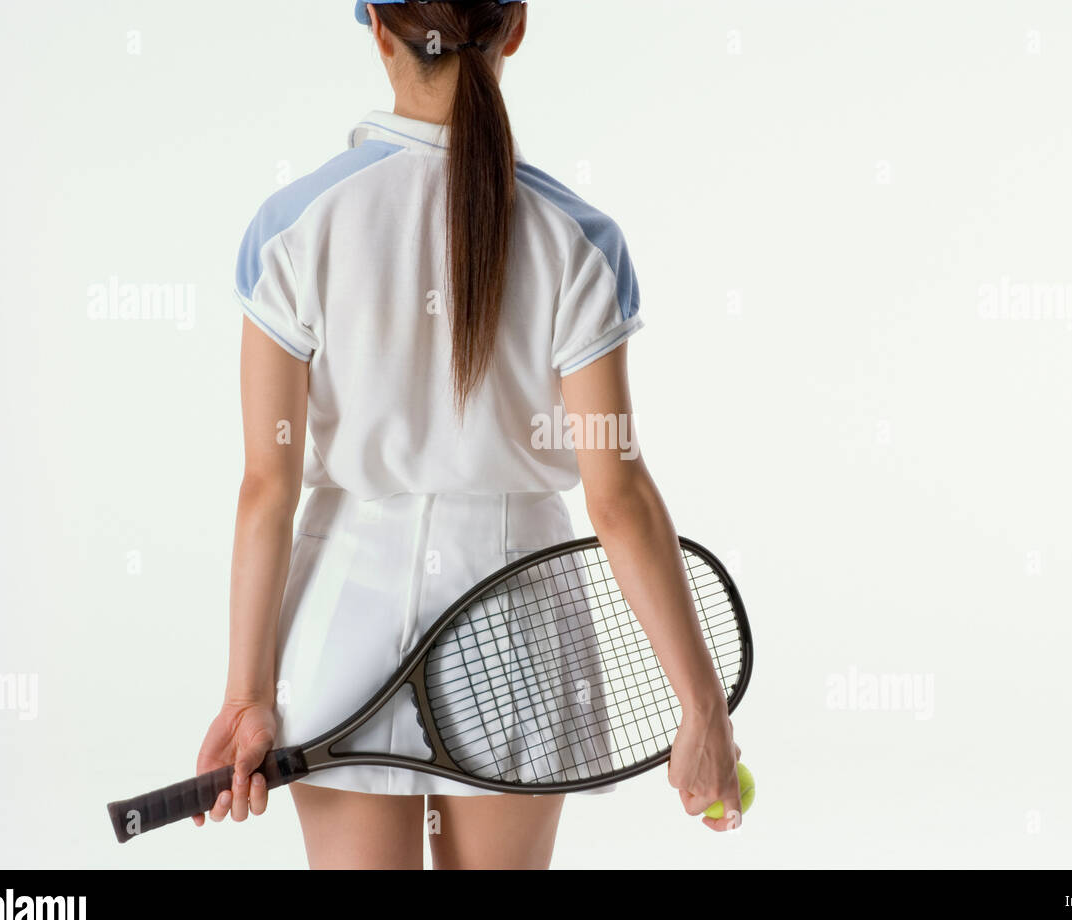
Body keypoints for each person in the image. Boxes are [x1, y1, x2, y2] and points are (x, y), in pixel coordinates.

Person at [192, 0, 742, 869]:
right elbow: (620, 497)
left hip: (342, 639)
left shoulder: (292, 229)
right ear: (514, 27)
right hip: (521, 636)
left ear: (377, 27)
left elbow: (268, 485)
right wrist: (702, 704)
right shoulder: (580, 241)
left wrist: (247, 692)